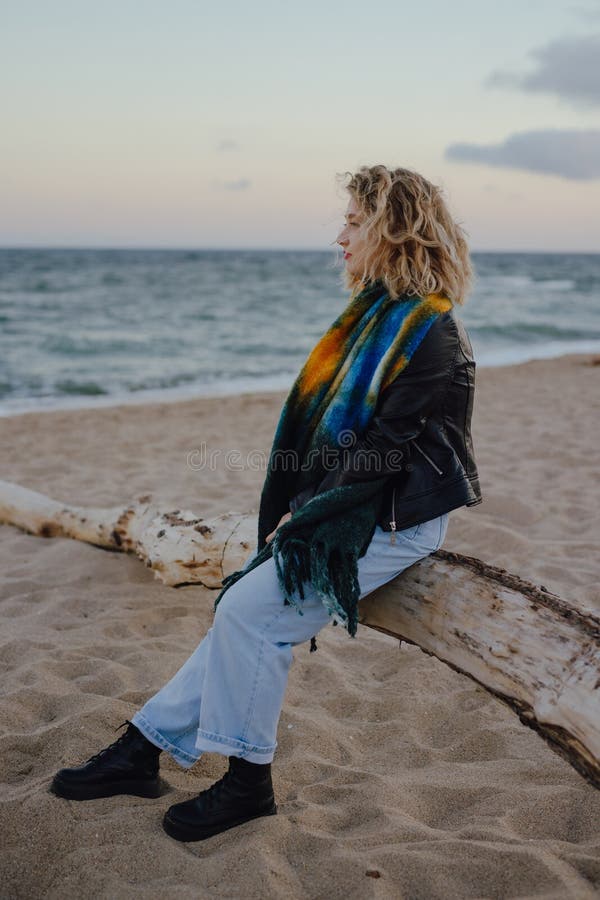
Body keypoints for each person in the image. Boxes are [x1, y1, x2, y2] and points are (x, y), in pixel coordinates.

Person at [51, 165, 482, 843]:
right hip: (354, 504)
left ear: (393, 230)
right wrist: (303, 507)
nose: (340, 234)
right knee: (242, 612)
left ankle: (248, 783)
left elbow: (382, 454)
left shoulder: (429, 332)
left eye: (353, 220)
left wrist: (304, 520)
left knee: (248, 613)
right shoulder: (376, 315)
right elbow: (343, 442)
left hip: (397, 520)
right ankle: (142, 748)